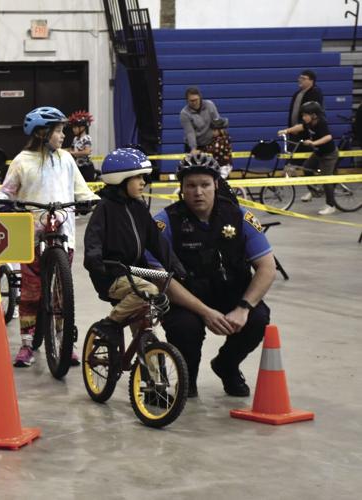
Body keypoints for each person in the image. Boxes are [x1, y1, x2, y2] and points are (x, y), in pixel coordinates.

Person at [151, 152, 277, 398]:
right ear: (182, 188)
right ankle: (188, 379)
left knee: (258, 316)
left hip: (231, 294)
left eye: (205, 185)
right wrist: (204, 312)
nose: (198, 192)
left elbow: (267, 267)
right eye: (191, 185)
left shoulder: (240, 217)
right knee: (185, 327)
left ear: (216, 185)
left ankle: (227, 366)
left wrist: (243, 308)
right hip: (186, 299)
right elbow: (160, 278)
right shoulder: (165, 222)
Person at [0, 106, 100, 367]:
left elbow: (81, 190)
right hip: (31, 237)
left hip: (64, 235)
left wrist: (92, 200)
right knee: (30, 291)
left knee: (62, 294)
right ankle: (27, 343)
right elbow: (7, 190)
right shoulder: (22, 161)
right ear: (42, 133)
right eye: (58, 131)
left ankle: (64, 343)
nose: (63, 135)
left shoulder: (66, 159)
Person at [84, 148, 183, 344]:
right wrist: (97, 264)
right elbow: (93, 240)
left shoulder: (138, 207)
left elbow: (156, 240)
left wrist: (176, 266)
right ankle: (110, 324)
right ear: (121, 179)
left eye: (143, 177)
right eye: (138, 177)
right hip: (112, 274)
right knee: (149, 292)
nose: (143, 182)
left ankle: (151, 370)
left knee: (144, 329)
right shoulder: (105, 208)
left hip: (136, 271)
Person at [278, 101, 338, 215]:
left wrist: (314, 143)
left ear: (314, 115)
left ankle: (331, 205)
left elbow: (328, 137)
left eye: (305, 115)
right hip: (318, 153)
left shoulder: (321, 123)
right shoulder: (308, 123)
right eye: (303, 115)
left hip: (329, 155)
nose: (303, 117)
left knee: (327, 179)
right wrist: (286, 130)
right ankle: (314, 191)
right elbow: (300, 127)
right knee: (306, 168)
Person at [179, 87, 221, 154]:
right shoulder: (184, 114)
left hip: (211, 143)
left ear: (200, 97)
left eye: (196, 100)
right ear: (187, 101)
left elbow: (217, 119)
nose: (194, 102)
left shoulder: (210, 105)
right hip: (196, 145)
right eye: (191, 101)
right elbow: (190, 133)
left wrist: (217, 129)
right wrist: (193, 148)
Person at [67, 110, 97, 181]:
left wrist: (74, 153)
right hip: (78, 167)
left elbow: (87, 151)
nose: (73, 129)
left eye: (75, 127)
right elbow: (71, 149)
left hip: (86, 168)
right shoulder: (75, 139)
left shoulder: (86, 138)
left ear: (82, 127)